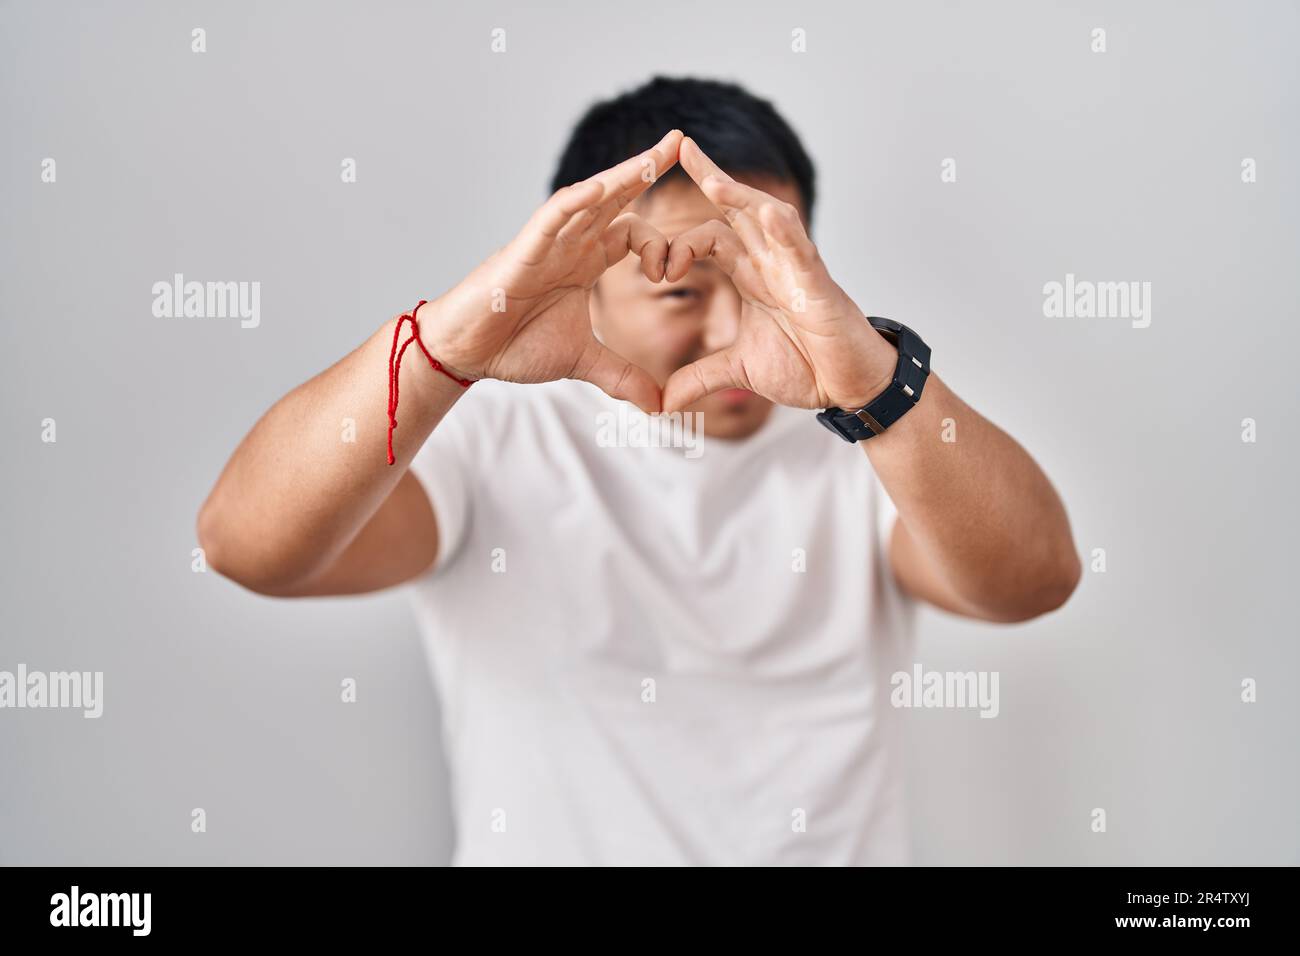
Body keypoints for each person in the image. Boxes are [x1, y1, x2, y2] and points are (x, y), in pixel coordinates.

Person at [197, 76, 1081, 865]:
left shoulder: (879, 442)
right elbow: (247, 547)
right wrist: (448, 349)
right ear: (587, 276)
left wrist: (879, 387)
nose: (735, 335)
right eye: (683, 288)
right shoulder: (493, 443)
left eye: (761, 281)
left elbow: (1031, 583)